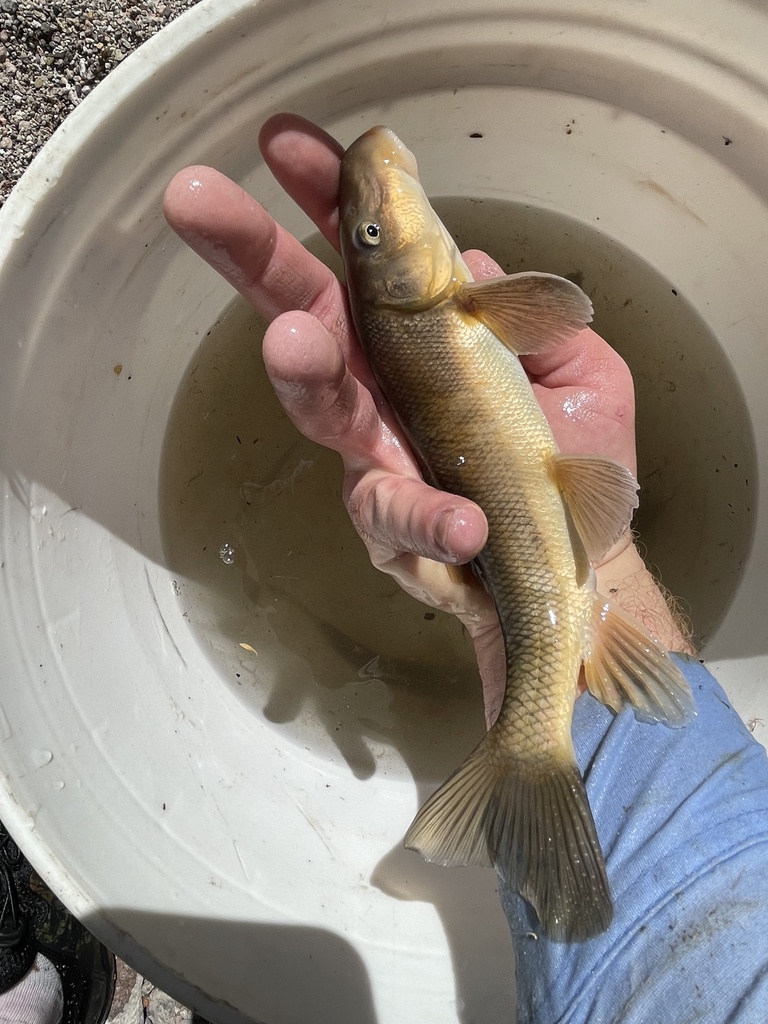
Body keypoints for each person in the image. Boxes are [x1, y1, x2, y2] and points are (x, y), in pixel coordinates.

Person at [164, 114, 768, 1022]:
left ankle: (530, 756)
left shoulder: (450, 305)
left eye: (368, 235)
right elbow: (560, 307)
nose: (376, 209)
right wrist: (596, 577)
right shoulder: (461, 304)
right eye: (375, 233)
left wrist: (560, 591)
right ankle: (534, 752)